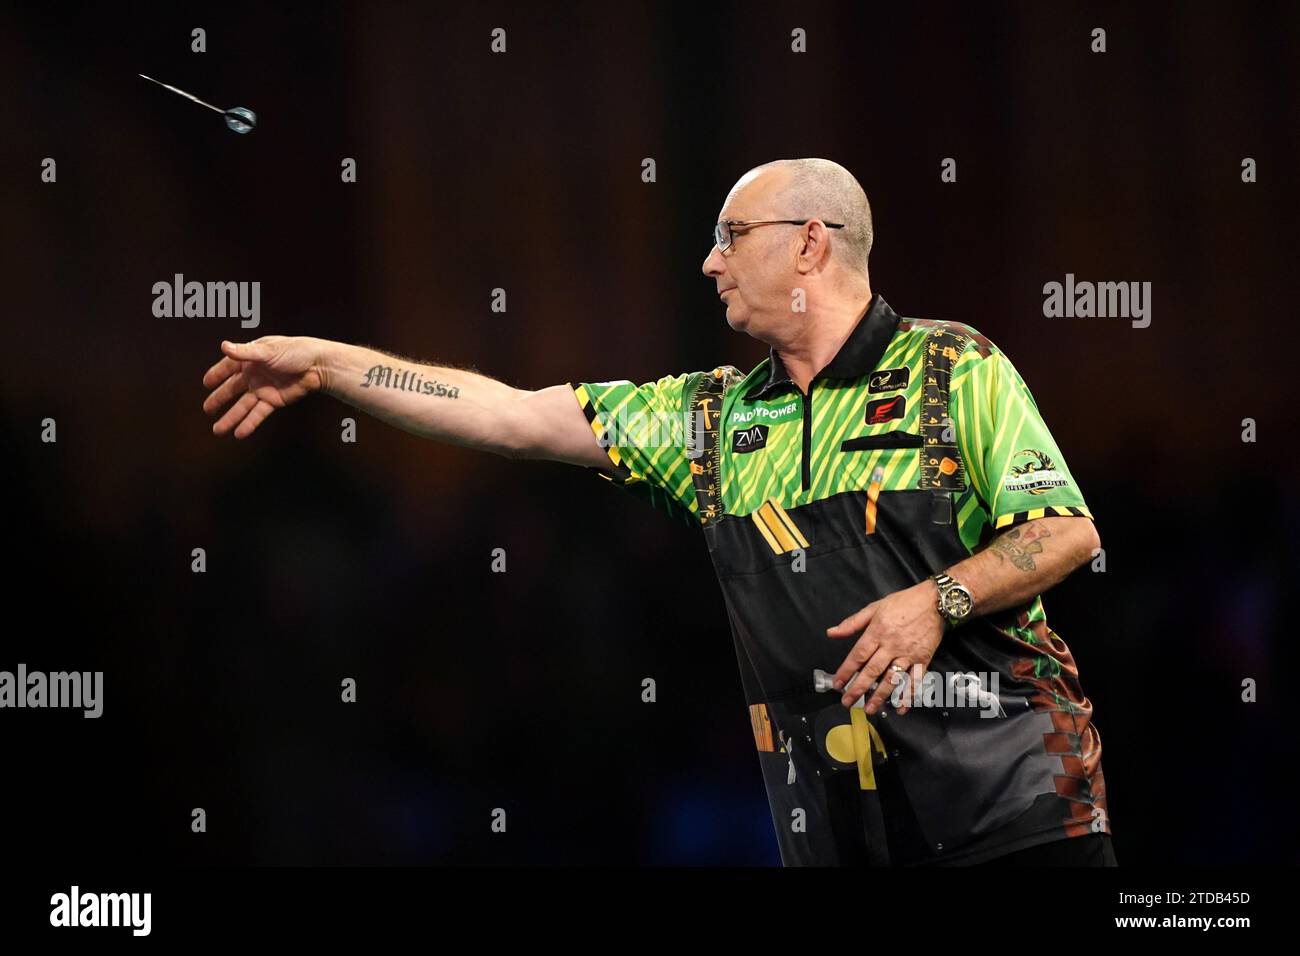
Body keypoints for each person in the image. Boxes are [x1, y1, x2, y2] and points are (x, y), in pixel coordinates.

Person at [202, 158, 1113, 867]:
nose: (708, 258)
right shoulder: (711, 420)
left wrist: (937, 600)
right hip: (840, 839)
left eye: (730, 234)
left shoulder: (953, 368)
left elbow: (1068, 530)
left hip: (1021, 814)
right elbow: (511, 414)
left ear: (808, 242)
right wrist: (327, 365)